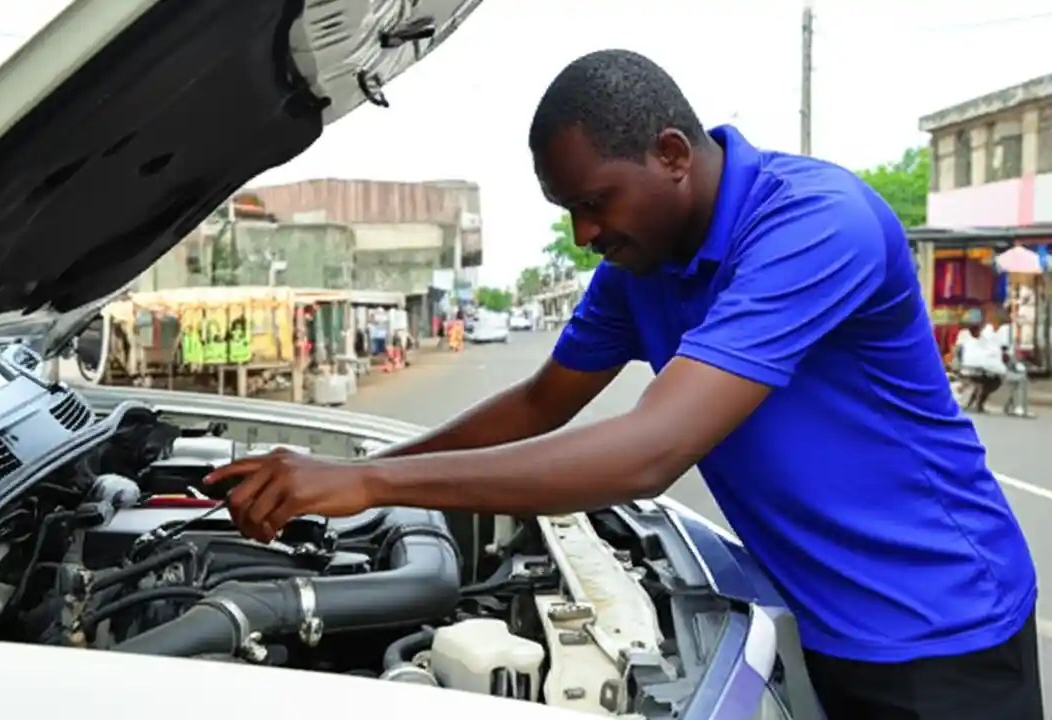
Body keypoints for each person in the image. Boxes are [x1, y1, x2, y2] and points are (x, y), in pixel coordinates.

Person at [206, 50, 1040, 718]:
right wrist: (386, 487)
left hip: (941, 633)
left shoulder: (817, 223)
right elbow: (539, 403)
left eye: (595, 201)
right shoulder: (642, 266)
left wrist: (364, 478)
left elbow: (650, 450)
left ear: (672, 155)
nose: (584, 233)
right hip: (821, 617)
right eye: (568, 210)